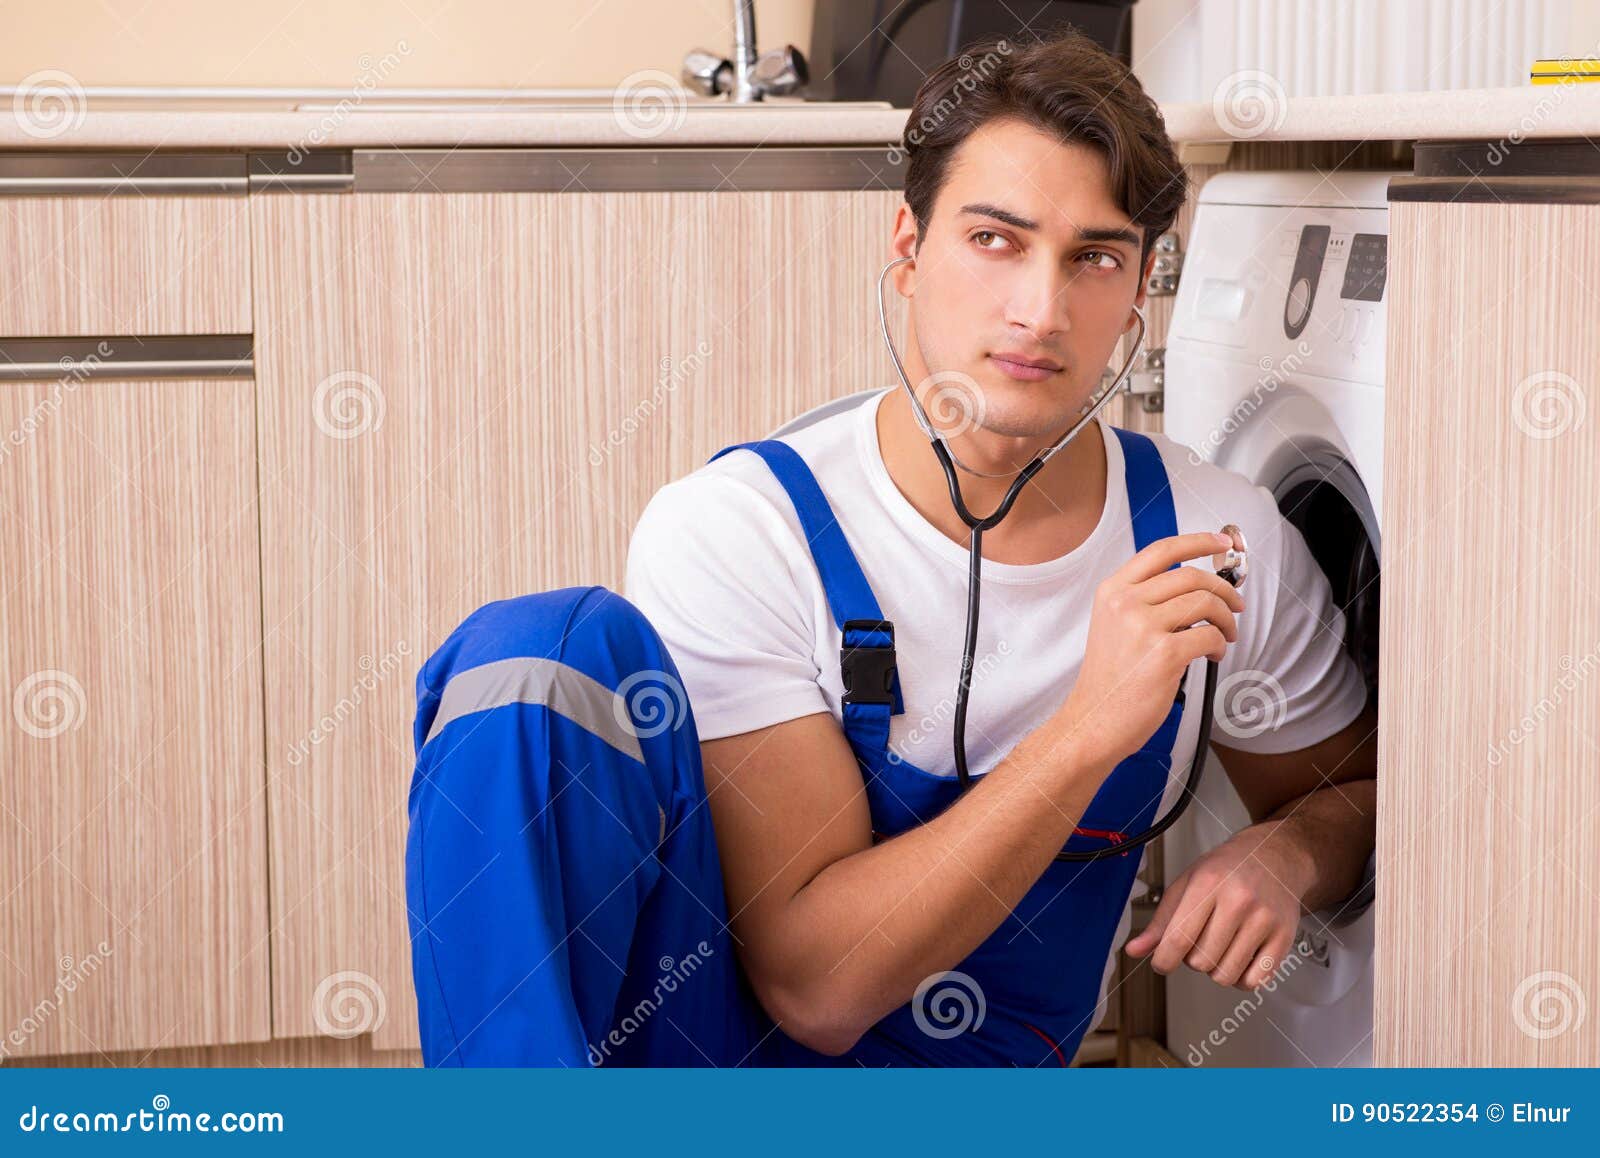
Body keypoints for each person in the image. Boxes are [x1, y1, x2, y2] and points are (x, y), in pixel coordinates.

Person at [406, 27, 1378, 1068]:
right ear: (908, 252)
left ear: (1140, 288)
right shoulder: (747, 531)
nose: (1039, 311)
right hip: (711, 1072)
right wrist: (1092, 724)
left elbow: (1348, 797)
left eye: (1094, 257)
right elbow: (816, 990)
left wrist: (1285, 854)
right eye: (994, 240)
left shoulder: (1216, 540)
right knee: (538, 656)